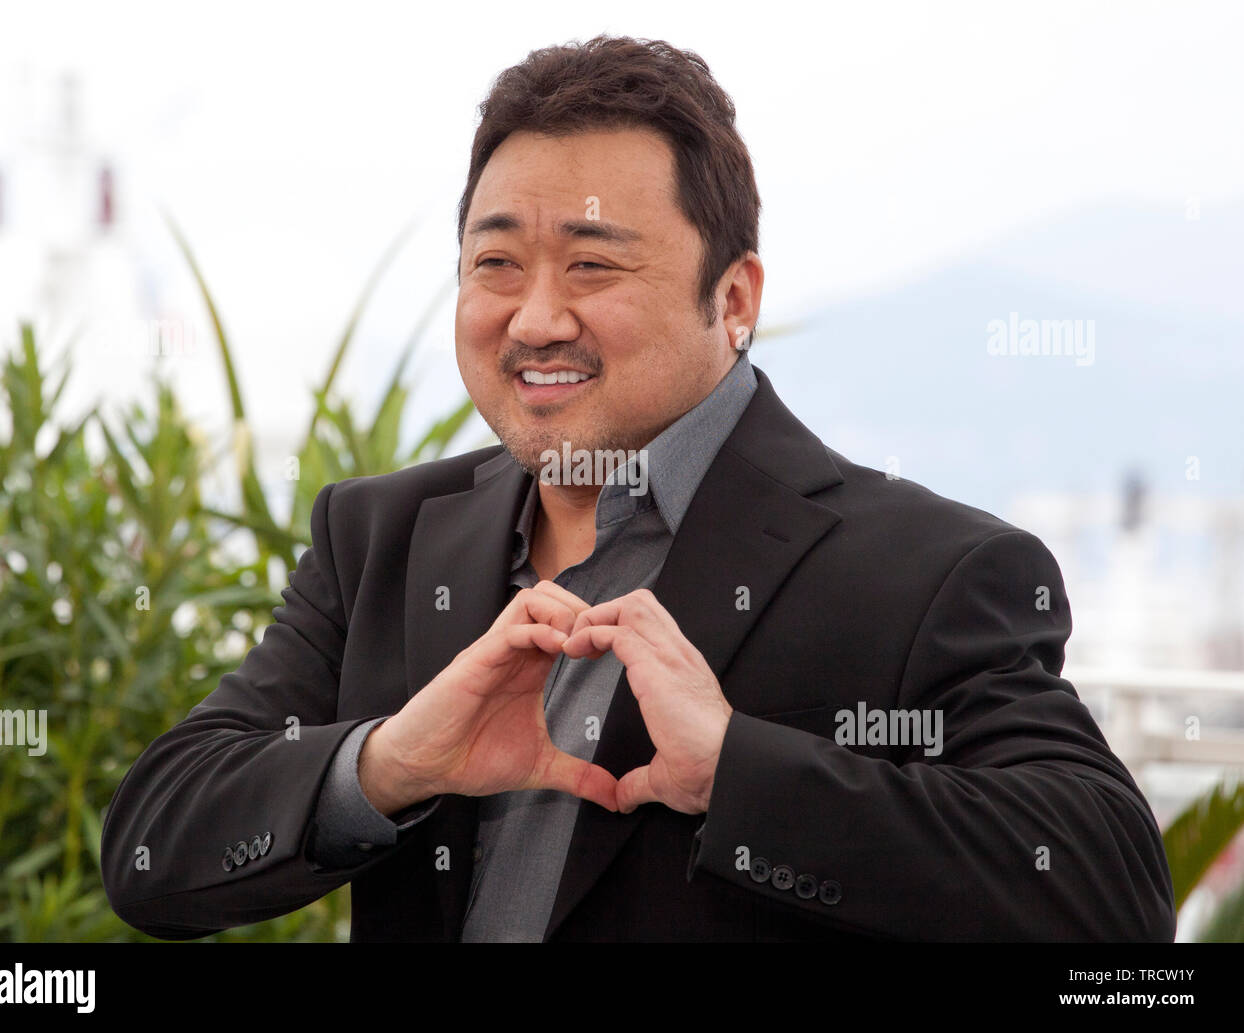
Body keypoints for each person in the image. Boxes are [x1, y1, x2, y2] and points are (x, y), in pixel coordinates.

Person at [100, 34, 1176, 942]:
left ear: (735, 295)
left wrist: (738, 774)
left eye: (592, 265)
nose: (533, 319)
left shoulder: (927, 571)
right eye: (495, 264)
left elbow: (1108, 886)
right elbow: (154, 844)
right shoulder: (378, 536)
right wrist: (389, 763)